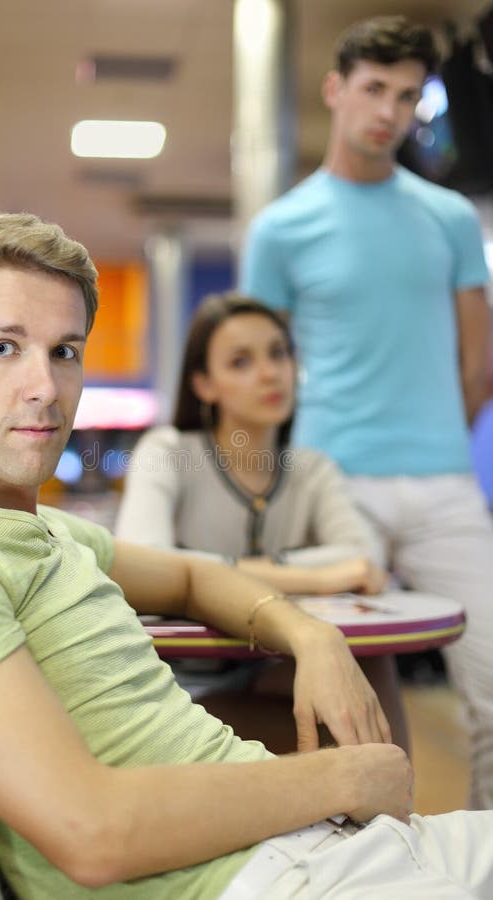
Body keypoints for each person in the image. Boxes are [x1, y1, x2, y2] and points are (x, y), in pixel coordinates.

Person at [0, 213, 491, 900]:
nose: (45, 388)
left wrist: (309, 633)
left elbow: (187, 574)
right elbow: (92, 835)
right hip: (271, 878)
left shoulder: (52, 532)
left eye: (64, 351)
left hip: (320, 846)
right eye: (3, 348)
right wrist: (347, 776)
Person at [241, 14, 493, 810]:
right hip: (332, 484)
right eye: (375, 89)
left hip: (445, 489)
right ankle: (381, 866)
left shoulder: (450, 218)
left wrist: (432, 433)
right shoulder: (281, 228)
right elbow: (255, 372)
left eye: (409, 96)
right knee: (345, 703)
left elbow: (478, 360)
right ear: (336, 90)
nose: (389, 110)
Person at [115, 291, 408, 750]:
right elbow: (143, 560)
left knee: (370, 665)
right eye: (240, 362)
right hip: (174, 683)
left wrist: (251, 569)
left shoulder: (311, 469)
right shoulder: (168, 452)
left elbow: (363, 556)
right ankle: (375, 805)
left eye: (279, 353)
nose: (270, 372)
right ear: (203, 384)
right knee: (351, 733)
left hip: (272, 666)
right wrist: (319, 576)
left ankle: (388, 815)